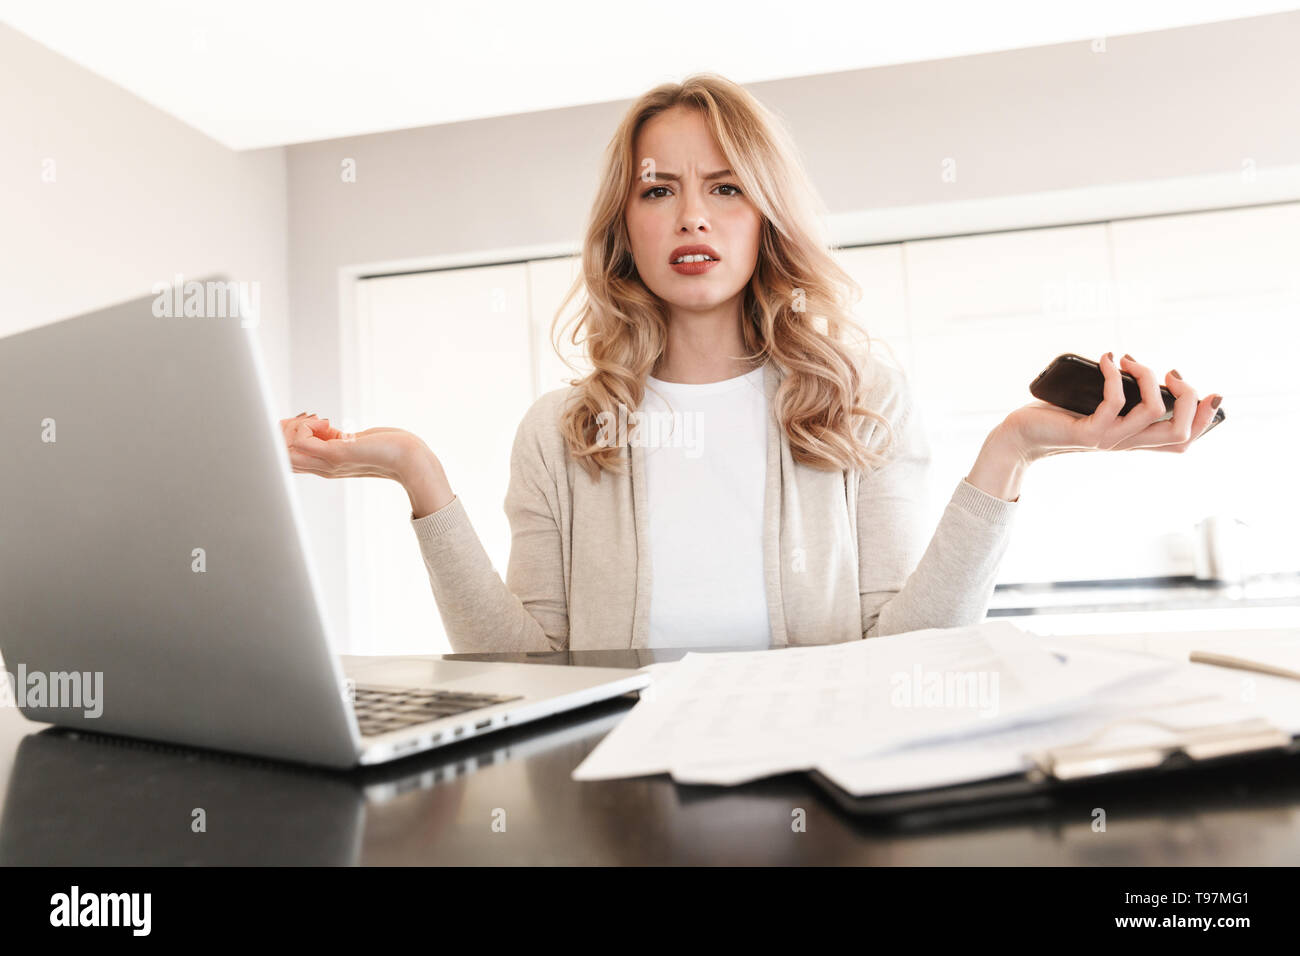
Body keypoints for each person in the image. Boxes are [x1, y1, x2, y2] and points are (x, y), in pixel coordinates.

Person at [281, 74, 1222, 653]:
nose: (692, 215)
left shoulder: (861, 400)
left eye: (725, 188)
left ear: (765, 217)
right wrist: (419, 477)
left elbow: (902, 651)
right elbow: (523, 676)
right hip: (618, 806)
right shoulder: (560, 432)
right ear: (626, 227)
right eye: (660, 190)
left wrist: (1012, 450)